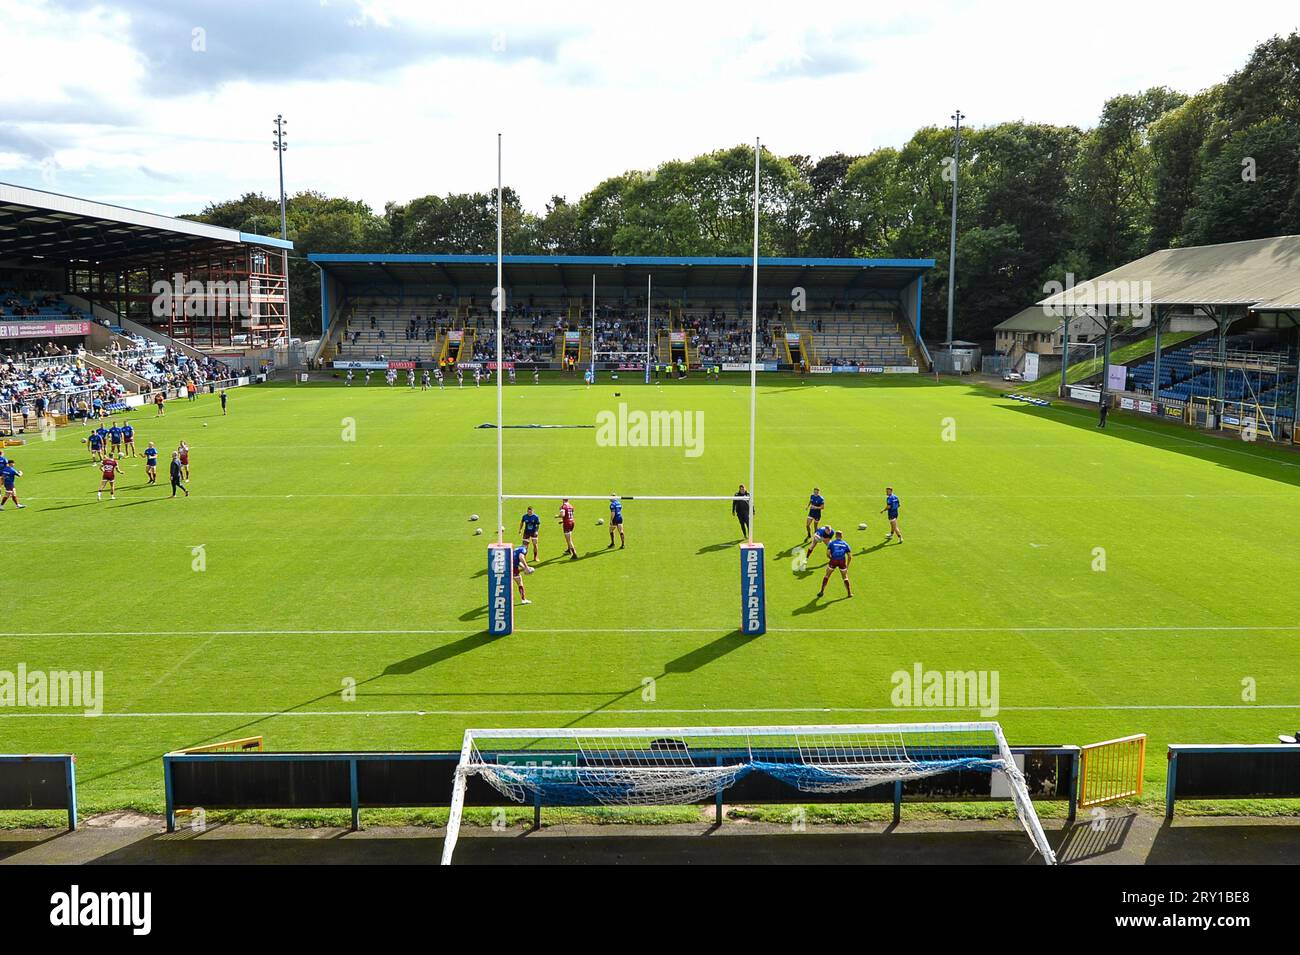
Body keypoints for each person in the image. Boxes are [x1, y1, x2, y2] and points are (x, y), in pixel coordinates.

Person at [817, 530, 853, 598]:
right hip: (842, 562)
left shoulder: (832, 543)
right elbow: (849, 556)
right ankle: (849, 593)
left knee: (827, 575)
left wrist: (831, 558)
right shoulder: (845, 544)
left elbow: (827, 554)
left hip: (833, 560)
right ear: (841, 536)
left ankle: (821, 591)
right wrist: (847, 566)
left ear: (835, 536)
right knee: (845, 577)